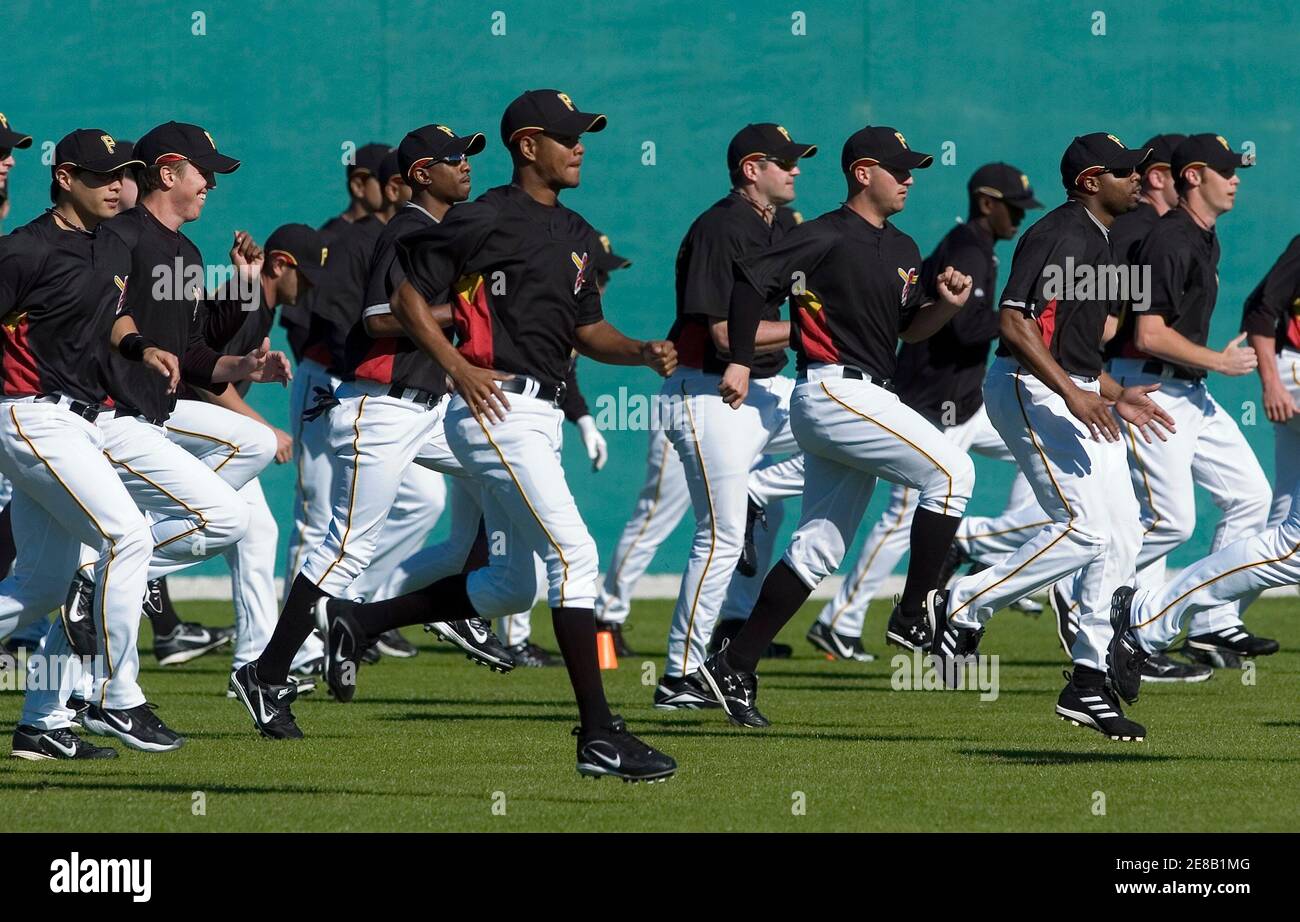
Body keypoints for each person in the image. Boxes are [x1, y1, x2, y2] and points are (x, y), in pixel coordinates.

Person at [261, 90, 679, 783]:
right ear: (527, 146)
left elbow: (584, 331)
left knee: (513, 585)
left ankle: (361, 623)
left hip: (536, 415)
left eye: (584, 136)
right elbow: (396, 303)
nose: (580, 146)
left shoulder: (576, 232)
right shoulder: (482, 218)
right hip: (499, 409)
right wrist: (458, 364)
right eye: (568, 136)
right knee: (576, 556)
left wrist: (638, 350)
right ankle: (600, 735)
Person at [699, 126, 976, 728]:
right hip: (832, 388)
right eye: (899, 169)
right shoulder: (823, 233)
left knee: (819, 549)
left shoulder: (903, 247)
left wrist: (945, 308)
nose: (909, 178)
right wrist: (741, 359)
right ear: (862, 173)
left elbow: (908, 329)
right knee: (954, 470)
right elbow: (750, 281)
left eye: (914, 169)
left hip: (865, 393)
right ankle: (914, 612)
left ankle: (733, 663)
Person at [932, 133, 1174, 742]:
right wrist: (1072, 392)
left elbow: (1074, 344)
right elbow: (1012, 323)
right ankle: (963, 602)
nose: (1138, 180)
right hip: (1026, 389)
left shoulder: (1103, 239)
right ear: (1091, 181)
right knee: (1085, 529)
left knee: (1121, 532)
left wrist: (1115, 394)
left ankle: (1088, 680)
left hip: (1078, 391)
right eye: (1125, 172)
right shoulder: (1059, 233)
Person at [807, 162, 1044, 661]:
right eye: (1013, 208)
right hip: (935, 401)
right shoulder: (966, 249)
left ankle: (984, 544)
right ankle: (839, 619)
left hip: (965, 401)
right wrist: (1016, 321)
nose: (1019, 218)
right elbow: (959, 330)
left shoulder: (980, 250)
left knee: (1043, 445)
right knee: (900, 517)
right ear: (986, 202)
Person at [1065, 133, 1277, 673]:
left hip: (1191, 393)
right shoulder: (1169, 240)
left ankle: (1207, 622)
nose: (1235, 180)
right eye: (1227, 170)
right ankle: (1083, 592)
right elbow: (1151, 334)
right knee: (1172, 522)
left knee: (1252, 496)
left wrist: (1207, 368)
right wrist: (1218, 361)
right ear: (1193, 176)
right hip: (1153, 387)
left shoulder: (1205, 238)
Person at [652, 123, 815, 706]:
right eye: (784, 162)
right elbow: (724, 334)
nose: (796, 170)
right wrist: (809, 330)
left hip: (759, 396)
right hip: (708, 394)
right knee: (719, 539)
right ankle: (679, 674)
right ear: (752, 169)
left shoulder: (767, 226)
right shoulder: (724, 226)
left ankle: (759, 491)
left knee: (848, 437)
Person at [0, 128, 146, 760]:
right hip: (31, 415)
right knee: (127, 535)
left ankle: (40, 727)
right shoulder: (22, 251)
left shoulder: (109, 244)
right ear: (65, 178)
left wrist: (142, 347)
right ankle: (116, 698)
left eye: (124, 174)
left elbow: (106, 314)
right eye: (103, 175)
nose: (118, 184)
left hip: (79, 419)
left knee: (38, 588)